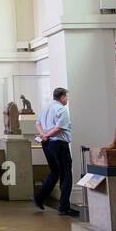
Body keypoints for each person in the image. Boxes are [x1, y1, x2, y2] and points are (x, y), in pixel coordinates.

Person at [35, 87, 74, 215]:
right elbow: (59, 127)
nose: (67, 99)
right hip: (59, 144)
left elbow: (38, 123)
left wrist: (43, 135)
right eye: (66, 97)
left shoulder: (46, 108)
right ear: (62, 97)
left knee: (54, 172)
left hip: (46, 144)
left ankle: (39, 198)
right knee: (66, 174)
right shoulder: (61, 109)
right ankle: (64, 207)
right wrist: (47, 135)